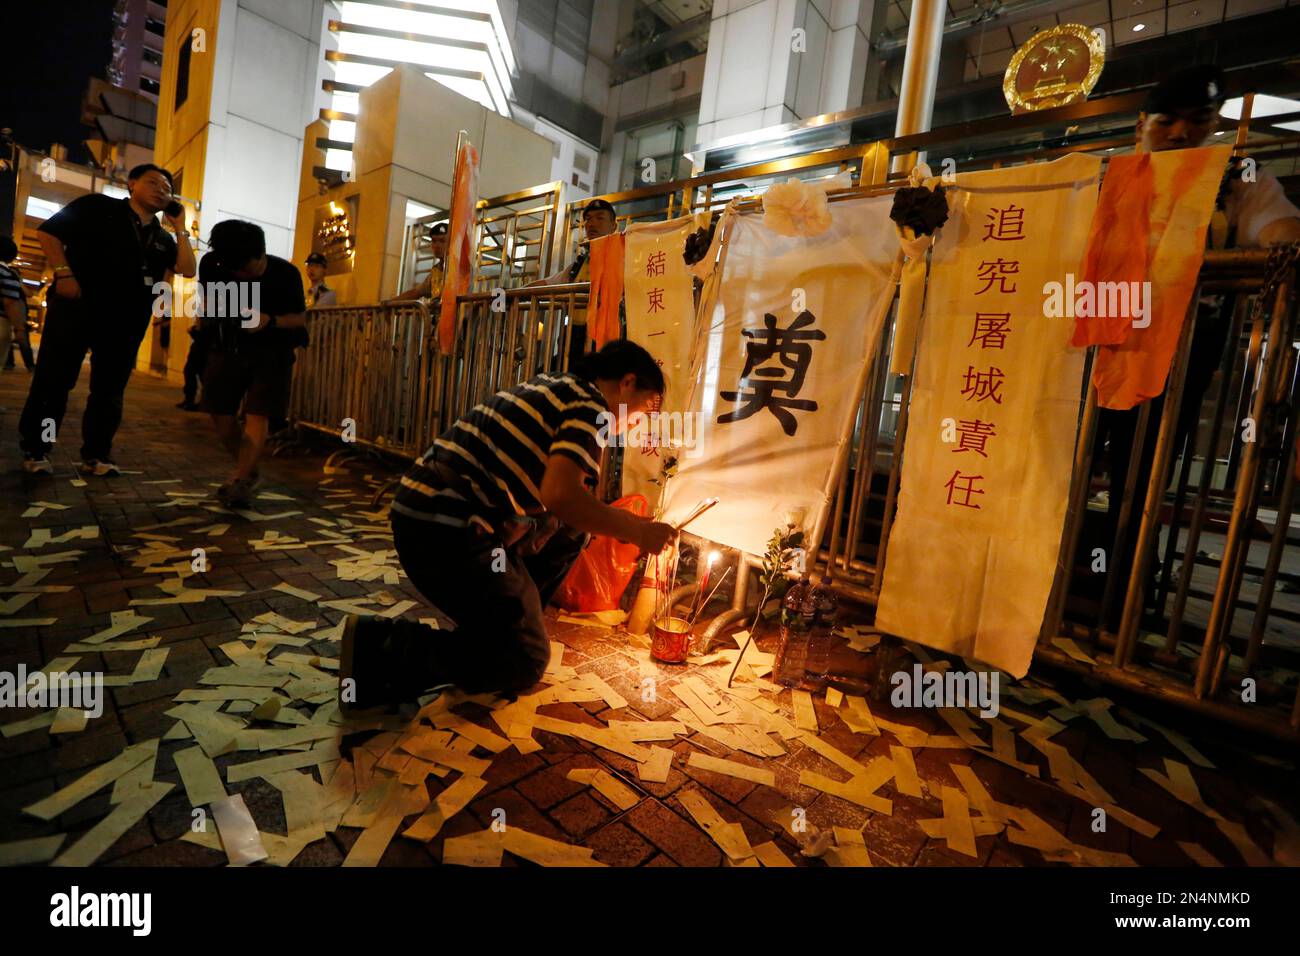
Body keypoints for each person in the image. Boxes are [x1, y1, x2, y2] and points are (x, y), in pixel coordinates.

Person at [339, 339, 676, 714]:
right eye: (642, 412)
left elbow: (563, 505)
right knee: (527, 660)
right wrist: (637, 531)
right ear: (627, 382)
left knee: (570, 531)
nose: (634, 425)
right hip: (445, 528)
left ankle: (505, 628)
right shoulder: (591, 407)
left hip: (429, 514)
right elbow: (563, 495)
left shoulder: (559, 387)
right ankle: (381, 646)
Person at [1083, 64, 1300, 628]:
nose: (1180, 133)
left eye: (1197, 120)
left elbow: (1280, 230)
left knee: (1143, 476)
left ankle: (1120, 602)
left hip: (1175, 355)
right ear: (1142, 125)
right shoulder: (1107, 177)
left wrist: (1281, 251)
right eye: (1166, 121)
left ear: (1215, 123)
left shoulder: (1236, 179)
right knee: (1063, 466)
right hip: (1083, 346)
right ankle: (1054, 582)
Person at [18, 163, 195, 475]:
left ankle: (97, 455)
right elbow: (48, 233)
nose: (162, 190)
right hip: (77, 308)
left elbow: (187, 268)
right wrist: (64, 273)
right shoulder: (97, 206)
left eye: (167, 187)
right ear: (131, 184)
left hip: (126, 321)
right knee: (54, 382)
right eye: (153, 182)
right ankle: (38, 449)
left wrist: (179, 226)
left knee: (109, 390)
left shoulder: (163, 238)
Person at [198, 220, 308, 509]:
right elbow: (209, 301)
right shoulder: (213, 264)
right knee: (220, 414)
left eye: (247, 269)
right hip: (226, 347)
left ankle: (241, 478)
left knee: (257, 414)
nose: (241, 275)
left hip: (273, 351)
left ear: (261, 254)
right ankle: (249, 469)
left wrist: (269, 321)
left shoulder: (286, 273)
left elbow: (300, 318)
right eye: (236, 271)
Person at [529, 198, 619, 366]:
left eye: (600, 218)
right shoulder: (578, 265)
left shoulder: (622, 261)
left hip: (606, 346)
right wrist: (512, 293)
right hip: (572, 341)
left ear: (614, 226)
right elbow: (547, 284)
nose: (592, 223)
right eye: (588, 219)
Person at [0, 236, 33, 373]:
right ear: (11, 256)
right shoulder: (7, 274)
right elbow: (10, 302)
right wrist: (20, 329)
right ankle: (28, 365)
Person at [390, 222, 447, 301]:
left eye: (442, 241)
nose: (437, 245)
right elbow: (417, 292)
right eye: (434, 241)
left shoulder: (460, 269)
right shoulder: (436, 271)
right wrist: (391, 302)